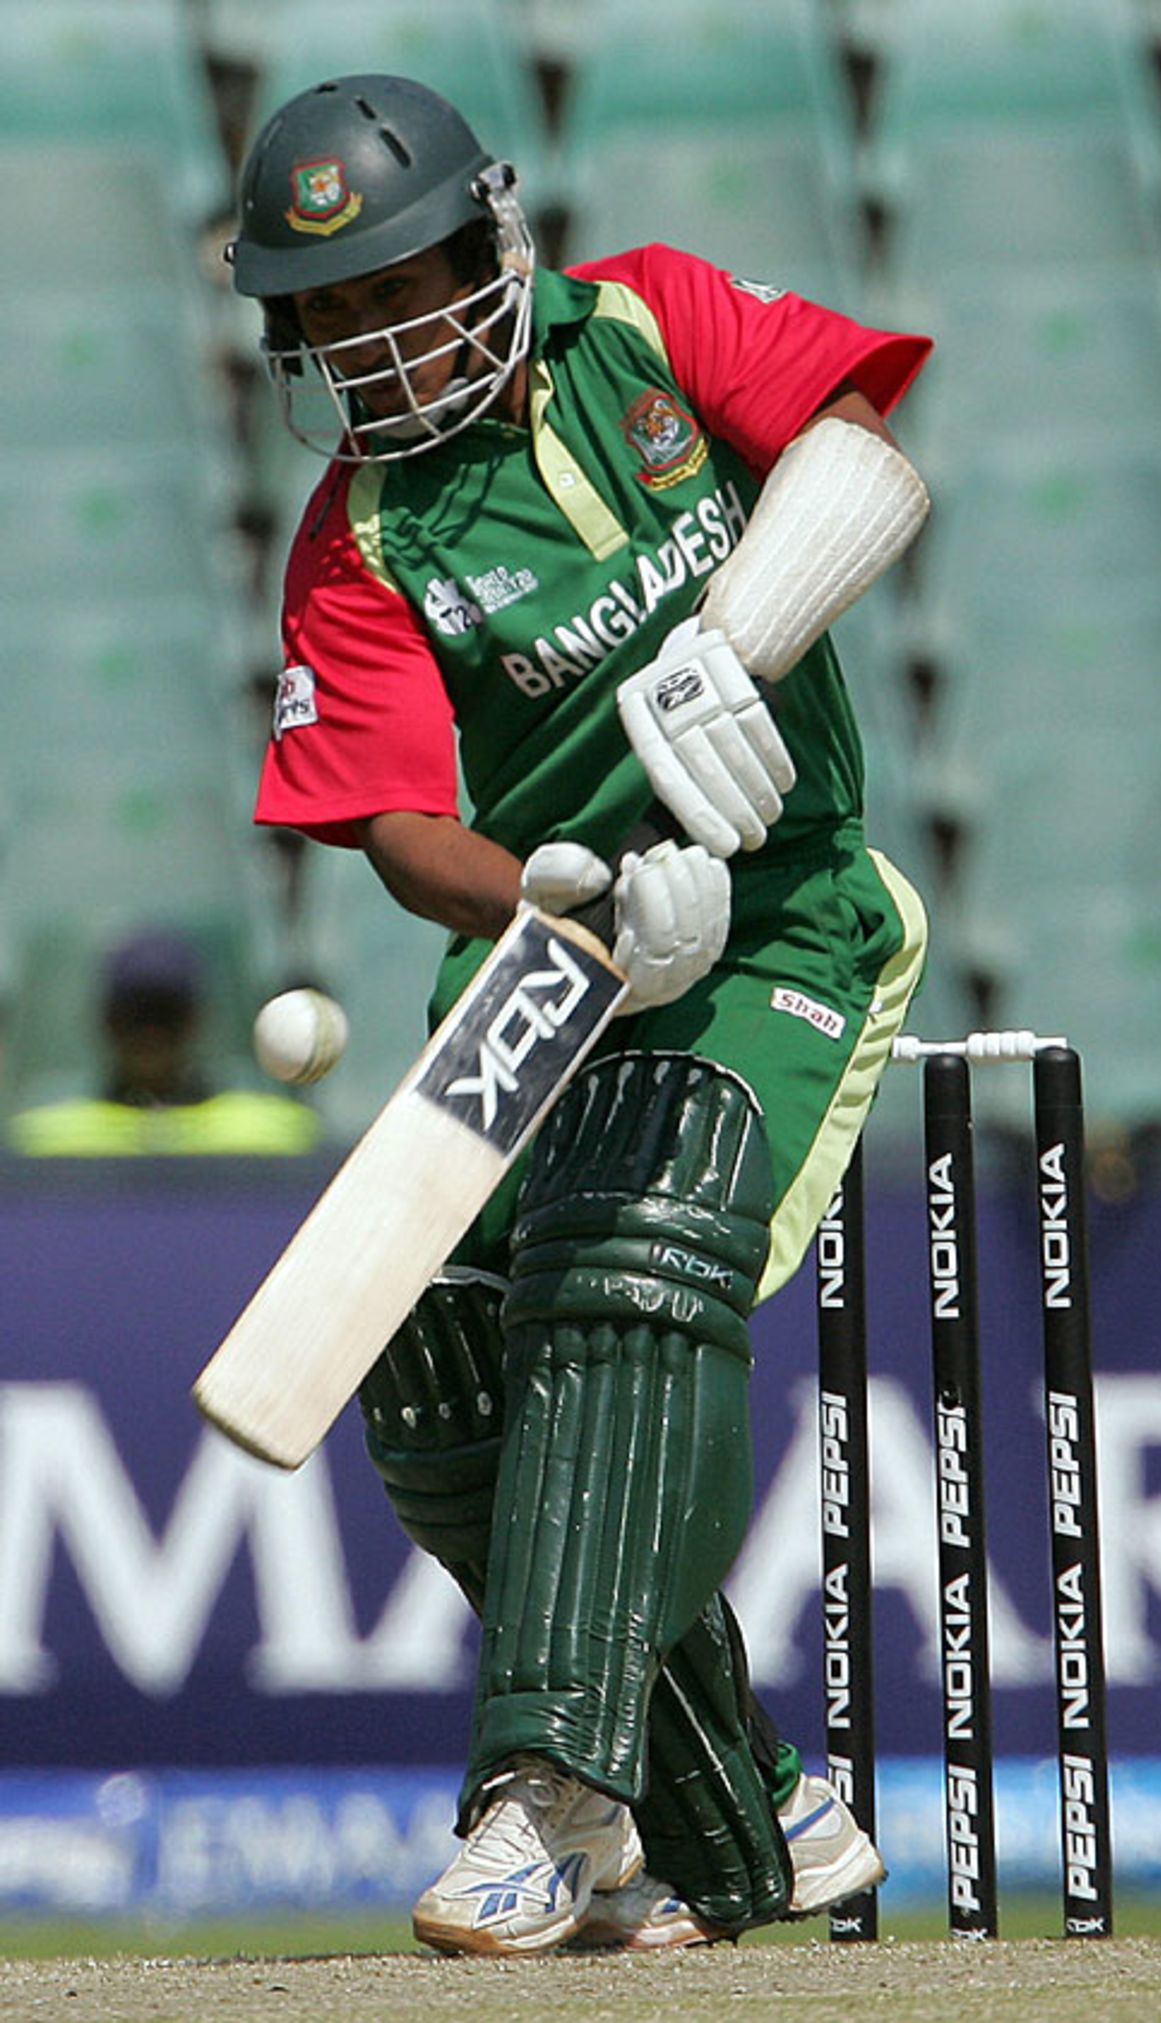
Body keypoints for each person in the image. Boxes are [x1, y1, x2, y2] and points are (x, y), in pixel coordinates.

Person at [227, 72, 932, 1955]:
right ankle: (753, 1818)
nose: (370, 335)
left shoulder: (645, 322)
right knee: (439, 1348)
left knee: (636, 1229)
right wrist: (580, 889)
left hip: (789, 918)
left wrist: (729, 649)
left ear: (488, 243)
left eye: (399, 283)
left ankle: (547, 1791)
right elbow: (394, 829)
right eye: (332, 313)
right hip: (547, 954)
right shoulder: (359, 535)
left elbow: (864, 457)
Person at [6, 929, 321, 1156]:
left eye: (165, 1014)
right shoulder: (42, 1144)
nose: (150, 1033)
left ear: (196, 1021)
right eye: (134, 1016)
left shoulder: (277, 1136)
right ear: (106, 1022)